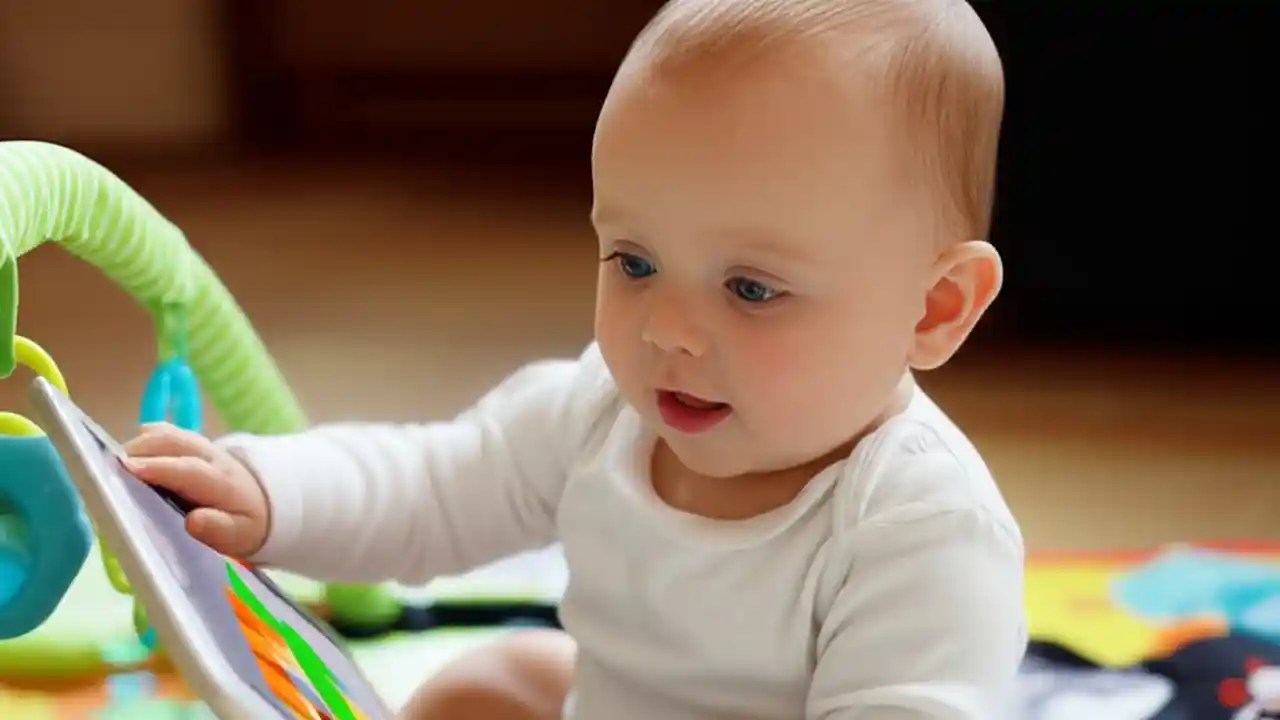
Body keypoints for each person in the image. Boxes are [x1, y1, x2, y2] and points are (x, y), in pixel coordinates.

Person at [122, 0, 1026, 717]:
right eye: (634, 263)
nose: (667, 328)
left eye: (752, 289)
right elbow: (432, 486)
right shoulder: (600, 412)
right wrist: (267, 494)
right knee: (498, 684)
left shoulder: (920, 528)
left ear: (934, 309)